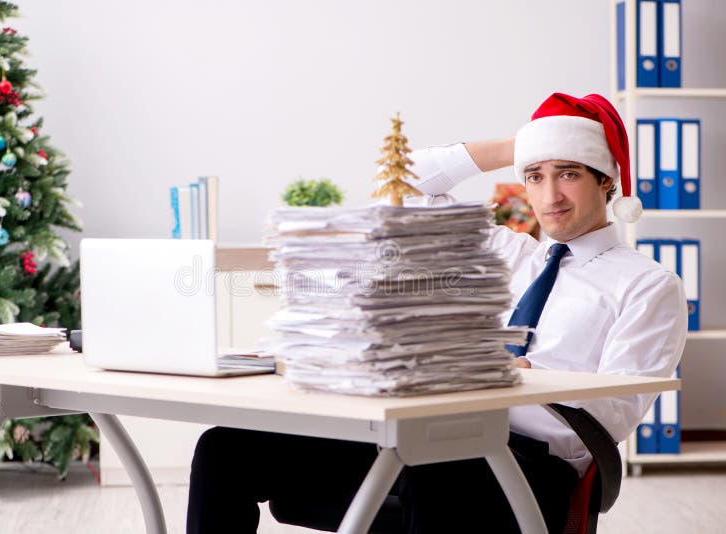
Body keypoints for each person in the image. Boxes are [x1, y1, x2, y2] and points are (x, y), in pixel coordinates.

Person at [186, 93, 687, 533]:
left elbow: (615, 412)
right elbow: (405, 185)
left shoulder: (648, 284)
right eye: (535, 176)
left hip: (530, 465)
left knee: (437, 463)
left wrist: (521, 379)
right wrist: (535, 141)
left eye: (570, 174)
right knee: (227, 448)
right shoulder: (511, 254)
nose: (549, 196)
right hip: (429, 436)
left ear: (607, 183)